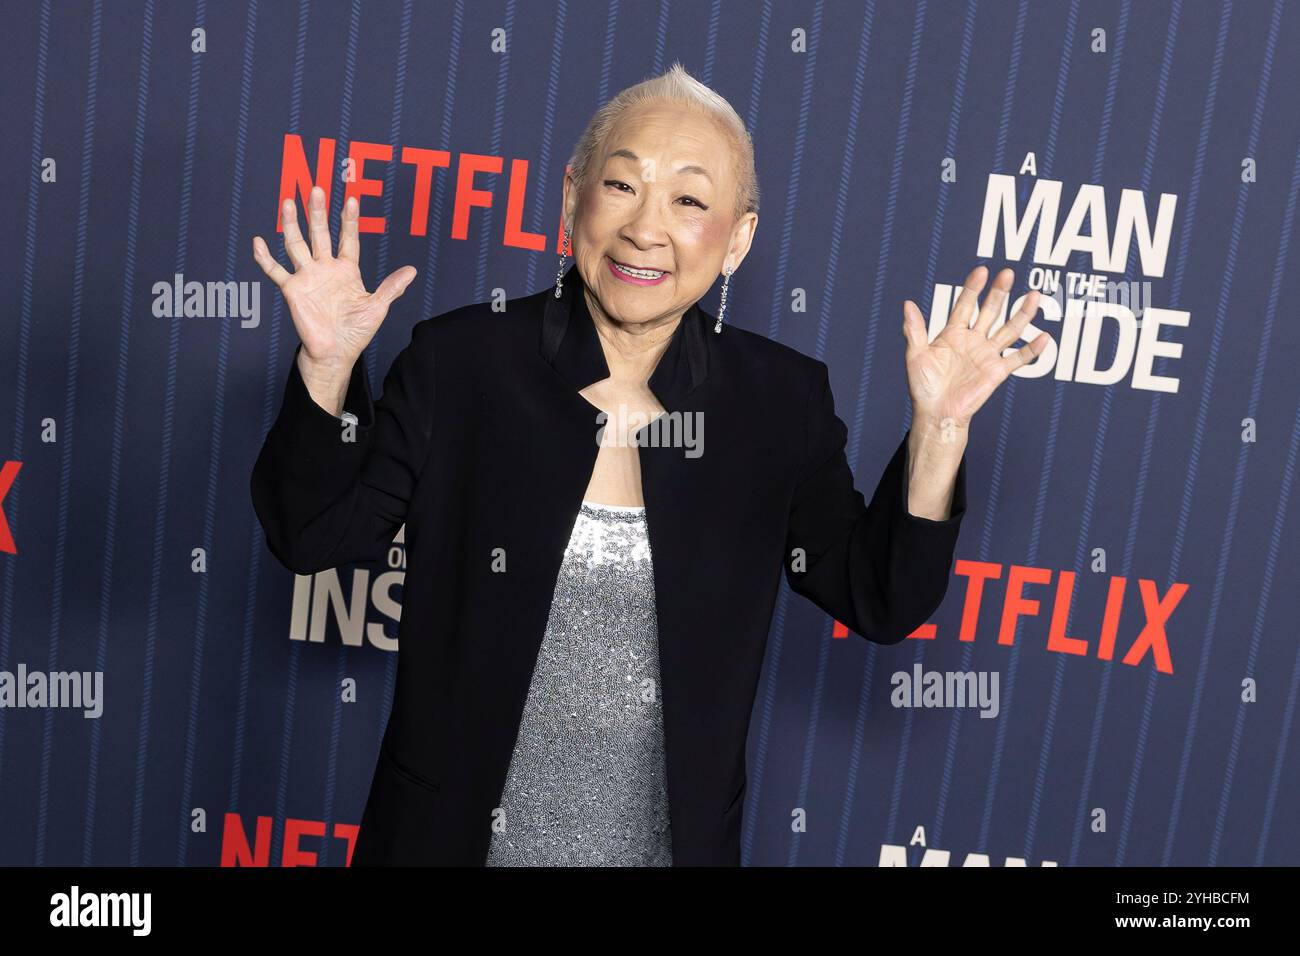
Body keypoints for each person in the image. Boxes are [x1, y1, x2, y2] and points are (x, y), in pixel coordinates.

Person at [249, 61, 1048, 866]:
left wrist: (940, 429)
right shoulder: (462, 363)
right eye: (623, 186)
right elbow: (314, 536)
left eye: (690, 200)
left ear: (737, 239)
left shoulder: (777, 402)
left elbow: (880, 598)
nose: (645, 228)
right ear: (571, 199)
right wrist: (326, 368)